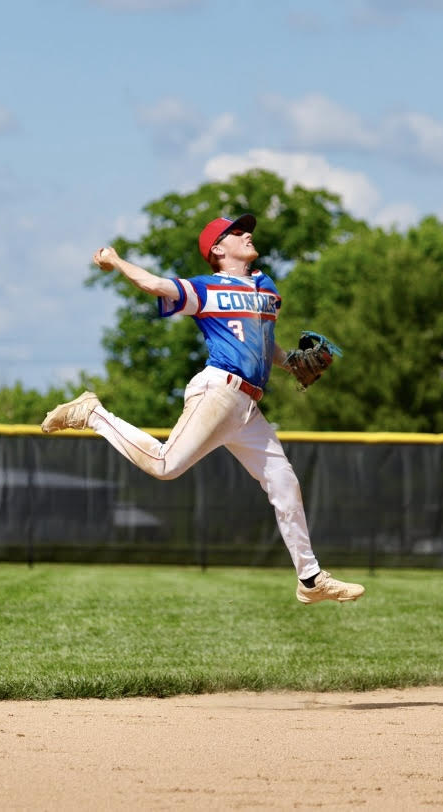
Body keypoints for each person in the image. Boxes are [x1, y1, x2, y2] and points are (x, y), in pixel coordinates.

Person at [41, 214, 364, 605]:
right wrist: (117, 262)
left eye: (247, 230)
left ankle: (310, 579)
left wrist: (292, 361)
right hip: (218, 391)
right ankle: (91, 413)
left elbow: (265, 345)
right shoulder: (207, 288)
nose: (247, 234)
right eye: (236, 232)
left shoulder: (266, 288)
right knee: (164, 466)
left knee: (284, 483)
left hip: (248, 408)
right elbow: (155, 284)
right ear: (217, 249)